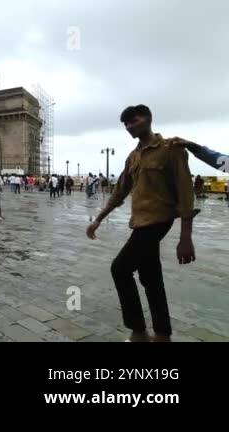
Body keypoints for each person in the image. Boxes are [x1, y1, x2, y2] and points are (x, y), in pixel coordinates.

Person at [86, 104, 196, 343]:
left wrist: (185, 237)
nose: (128, 127)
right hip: (140, 222)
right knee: (151, 278)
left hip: (158, 221)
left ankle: (138, 332)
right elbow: (119, 192)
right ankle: (162, 335)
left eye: (132, 121)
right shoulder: (133, 157)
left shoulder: (171, 149)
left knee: (120, 268)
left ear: (147, 119)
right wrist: (98, 220)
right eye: (125, 124)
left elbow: (186, 193)